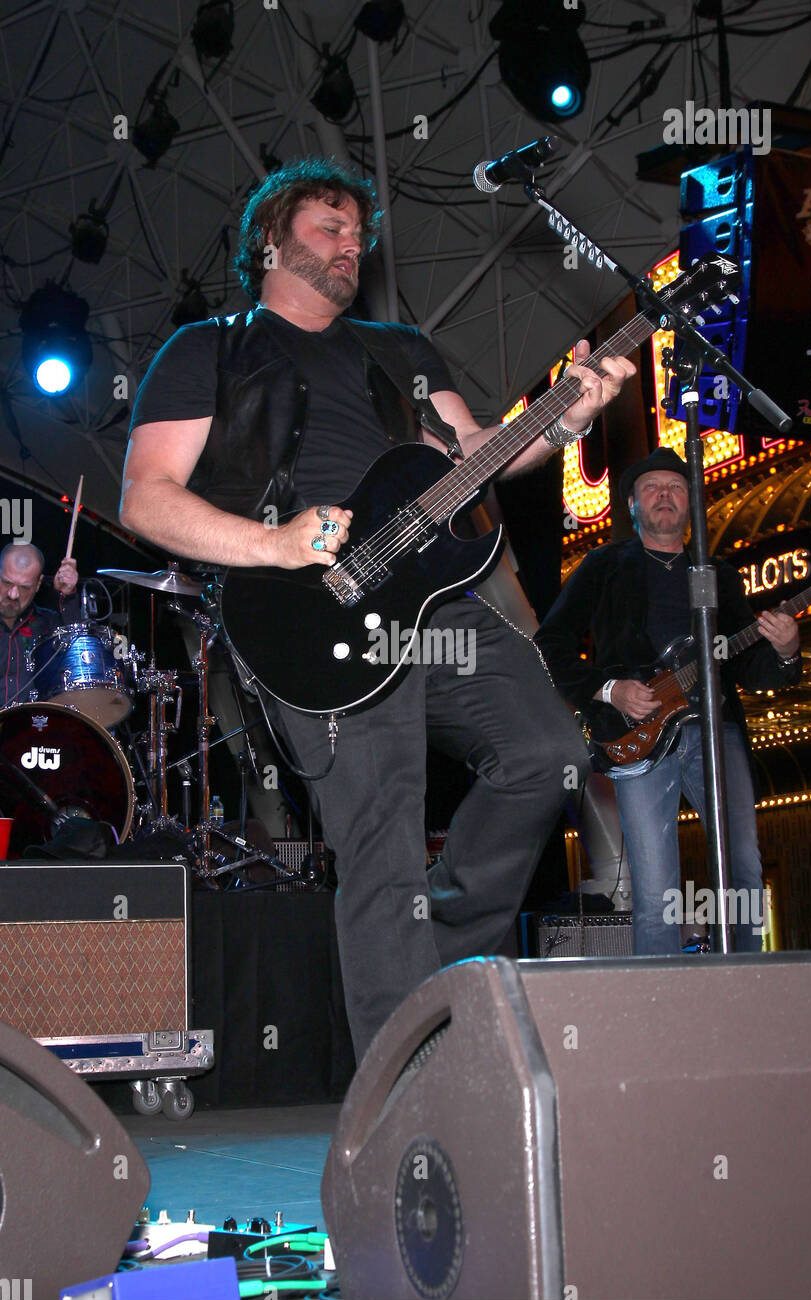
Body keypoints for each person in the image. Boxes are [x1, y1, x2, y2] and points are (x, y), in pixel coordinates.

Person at [120, 157, 637, 1062]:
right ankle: (406, 1082)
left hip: (431, 596)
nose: (351, 242)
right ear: (270, 240)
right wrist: (276, 542)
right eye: (329, 225)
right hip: (304, 604)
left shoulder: (398, 350)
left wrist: (562, 422)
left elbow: (478, 453)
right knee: (382, 835)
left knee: (548, 754)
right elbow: (146, 499)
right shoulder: (210, 348)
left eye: (359, 232)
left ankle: (422, 944)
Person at [536, 446, 801, 955]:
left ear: (691, 505)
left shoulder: (716, 573)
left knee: (743, 865)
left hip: (716, 730)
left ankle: (750, 982)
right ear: (632, 506)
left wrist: (787, 650)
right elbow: (549, 644)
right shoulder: (605, 566)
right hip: (638, 737)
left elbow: (747, 662)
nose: (665, 495)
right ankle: (662, 1010)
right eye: (652, 489)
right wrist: (609, 689)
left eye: (676, 488)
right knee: (656, 888)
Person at [0, 543, 79, 705]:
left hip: (34, 726)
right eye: (7, 583)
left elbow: (79, 656)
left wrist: (68, 595)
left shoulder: (48, 623)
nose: (13, 595)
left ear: (38, 584)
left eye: (24, 588)